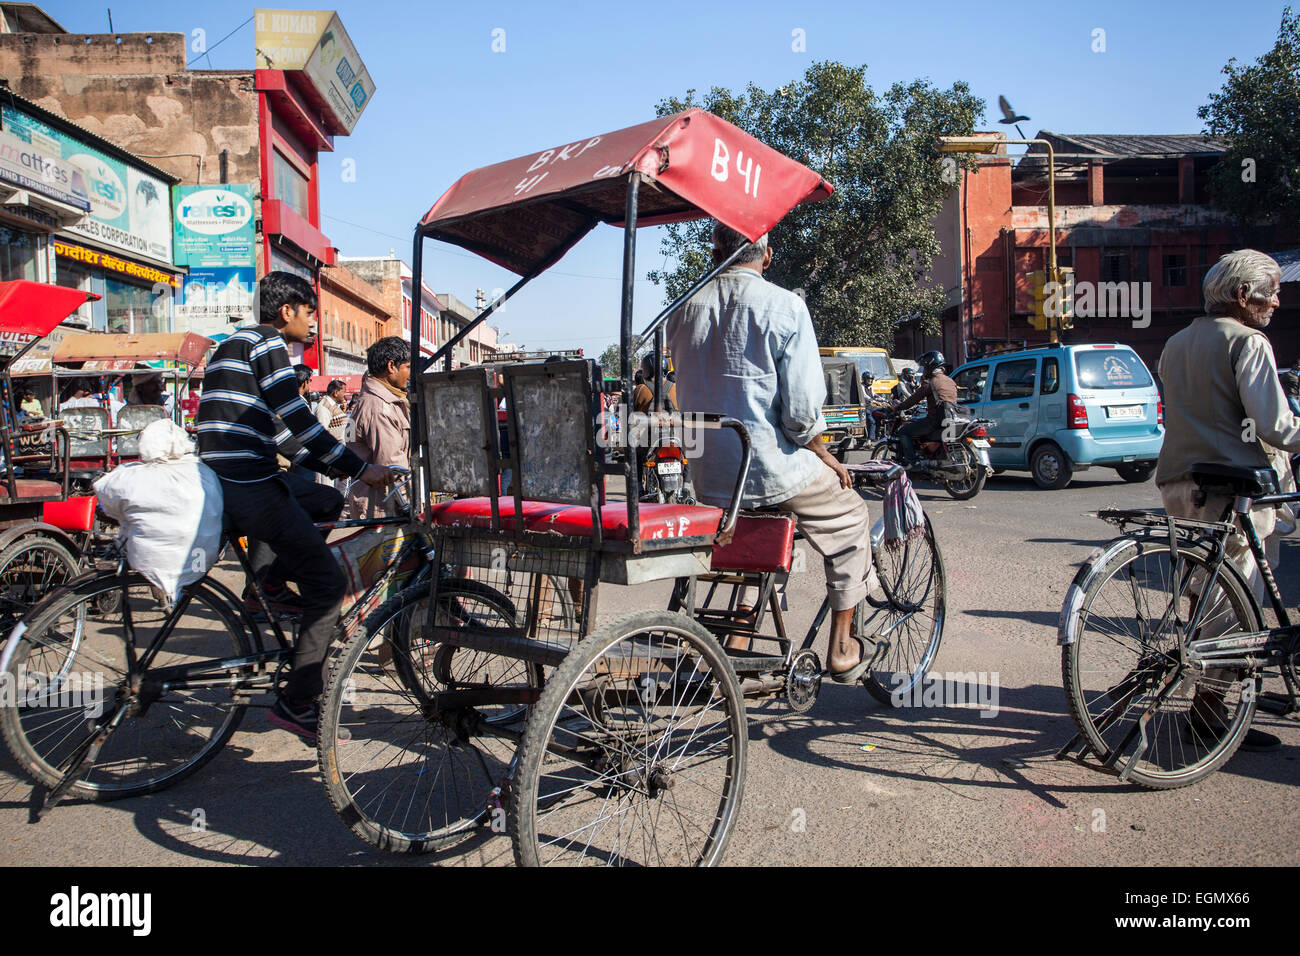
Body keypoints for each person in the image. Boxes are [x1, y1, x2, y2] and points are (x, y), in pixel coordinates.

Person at [667, 222, 877, 681]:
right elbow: (802, 415)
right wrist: (825, 453)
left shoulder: (681, 310)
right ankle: (842, 647)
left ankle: (739, 638)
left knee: (764, 527)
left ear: (715, 250)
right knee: (852, 518)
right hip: (766, 467)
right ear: (767, 255)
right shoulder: (785, 306)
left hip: (711, 475)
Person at [196, 271, 396, 742]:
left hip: (232, 476)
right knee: (327, 585)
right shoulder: (268, 344)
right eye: (309, 314)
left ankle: (268, 580)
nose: (314, 326)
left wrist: (338, 470)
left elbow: (286, 436)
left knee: (323, 498)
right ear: (286, 312)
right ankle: (298, 701)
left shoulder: (230, 345)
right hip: (249, 483)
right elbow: (301, 423)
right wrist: (358, 467)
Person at [1157, 249, 1298, 752]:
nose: (1277, 302)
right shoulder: (1249, 342)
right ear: (1243, 295)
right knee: (1234, 604)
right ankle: (1209, 711)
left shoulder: (1174, 343)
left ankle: (1207, 701)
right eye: (1271, 292)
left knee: (1203, 589)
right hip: (1232, 486)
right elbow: (1275, 426)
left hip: (1178, 480)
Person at [346, 338, 411, 519]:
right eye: (407, 367)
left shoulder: (380, 401)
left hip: (380, 503)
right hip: (381, 506)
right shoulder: (379, 407)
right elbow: (393, 466)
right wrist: (409, 505)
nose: (410, 373)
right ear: (391, 367)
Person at [889, 351, 960, 467]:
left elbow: (912, 400)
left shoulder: (930, 383)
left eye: (924, 367)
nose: (923, 370)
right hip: (951, 418)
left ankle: (913, 462)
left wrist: (898, 408)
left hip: (935, 420)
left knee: (903, 431)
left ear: (929, 366)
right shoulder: (951, 381)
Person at [316, 379, 349, 443]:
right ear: (336, 393)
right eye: (344, 392)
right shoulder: (323, 407)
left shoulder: (333, 405)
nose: (344, 395)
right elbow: (322, 433)